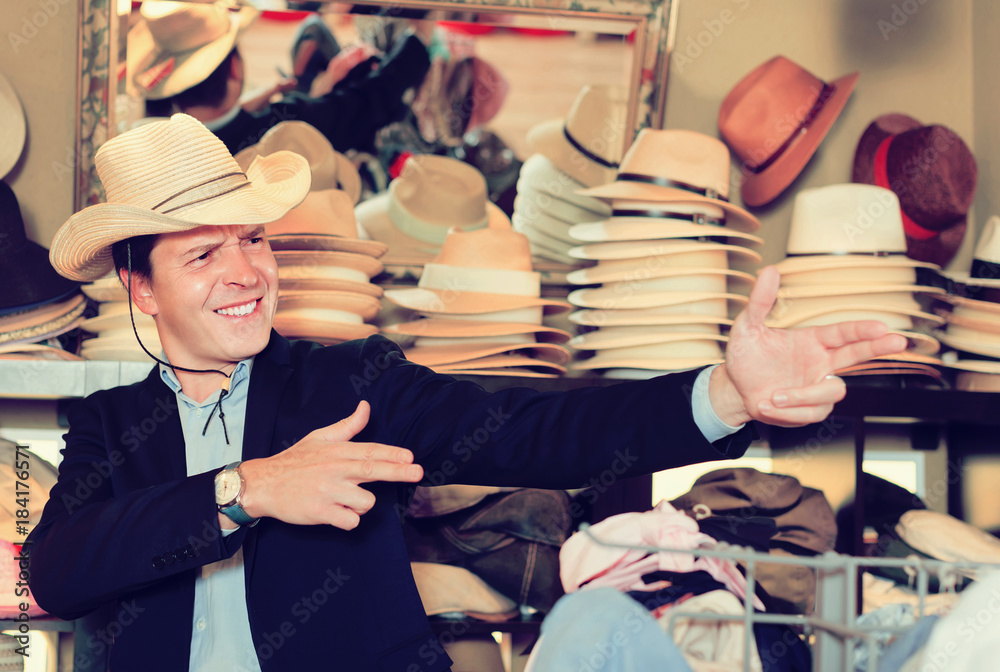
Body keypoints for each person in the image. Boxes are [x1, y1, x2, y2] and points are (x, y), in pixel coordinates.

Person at [30, 114, 906, 671]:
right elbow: (56, 573)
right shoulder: (111, 427)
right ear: (140, 288)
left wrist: (721, 393)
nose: (246, 271)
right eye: (203, 253)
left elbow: (537, 431)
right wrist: (246, 489)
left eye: (253, 239)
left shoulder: (343, 383)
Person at [135, 1, 431, 155]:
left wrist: (278, 89)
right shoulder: (288, 122)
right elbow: (371, 98)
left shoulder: (166, 146)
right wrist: (419, 35)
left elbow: (230, 120)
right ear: (236, 67)